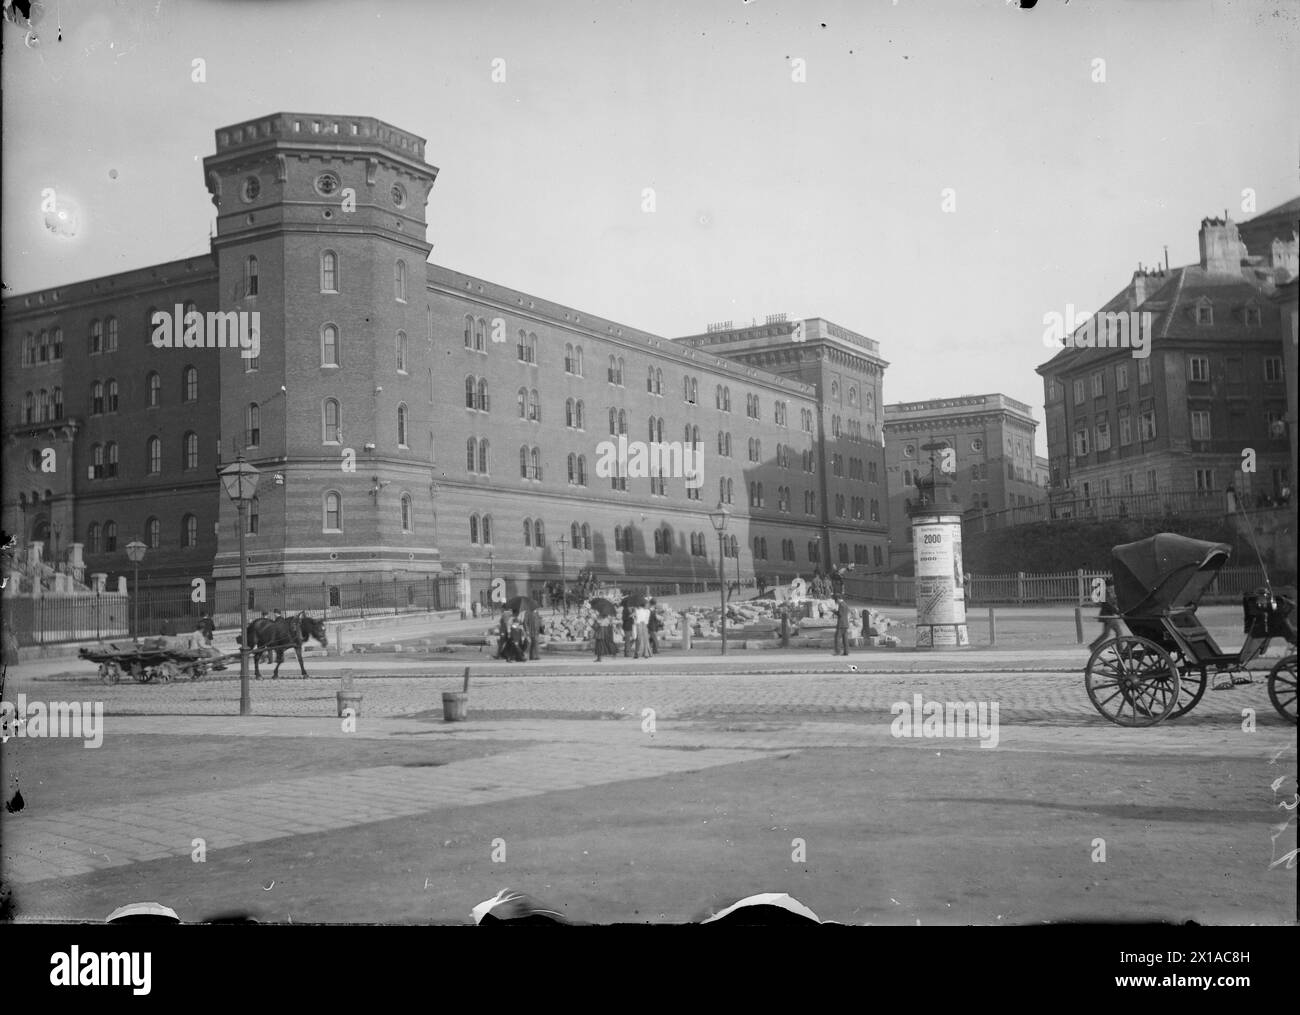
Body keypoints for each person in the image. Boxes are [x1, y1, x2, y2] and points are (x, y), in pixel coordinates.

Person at [1088, 581, 1124, 652]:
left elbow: (1113, 603)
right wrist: (1118, 612)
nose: (1112, 588)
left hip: (1109, 616)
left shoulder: (1109, 593)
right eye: (1111, 587)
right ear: (1107, 587)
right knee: (1118, 632)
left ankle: (1093, 646)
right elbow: (1108, 606)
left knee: (1106, 634)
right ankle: (1120, 649)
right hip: (1107, 616)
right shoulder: (1104, 594)